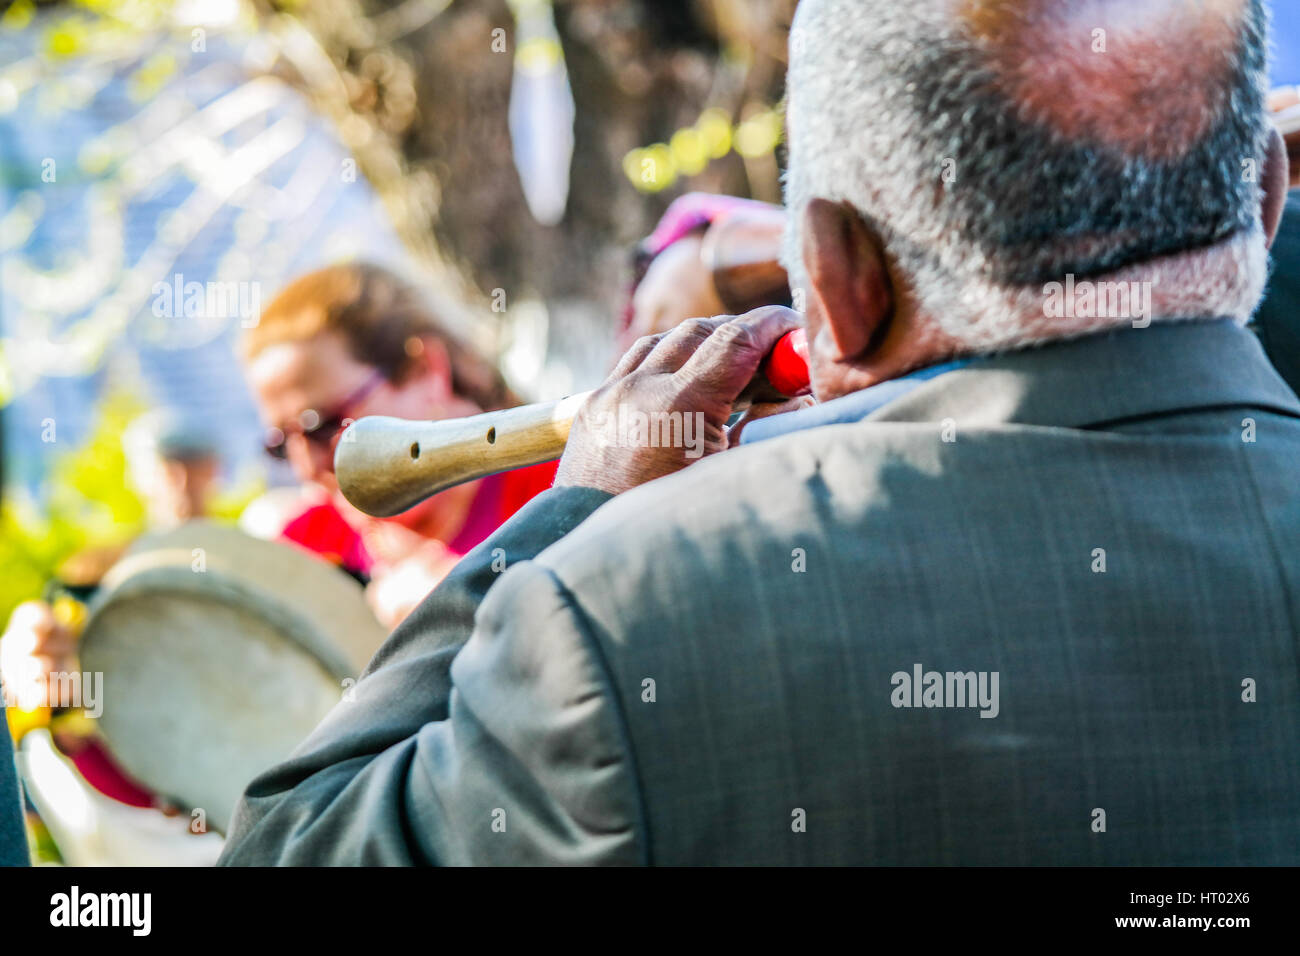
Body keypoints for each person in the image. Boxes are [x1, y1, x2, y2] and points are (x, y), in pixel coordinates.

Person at [220, 0, 1300, 865]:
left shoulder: (607, 617)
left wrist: (578, 511)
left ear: (830, 278)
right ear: (1262, 195)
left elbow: (292, 846)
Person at [242, 263, 556, 627]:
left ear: (424, 369)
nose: (306, 468)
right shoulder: (304, 551)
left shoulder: (563, 485)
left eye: (322, 425)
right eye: (281, 444)